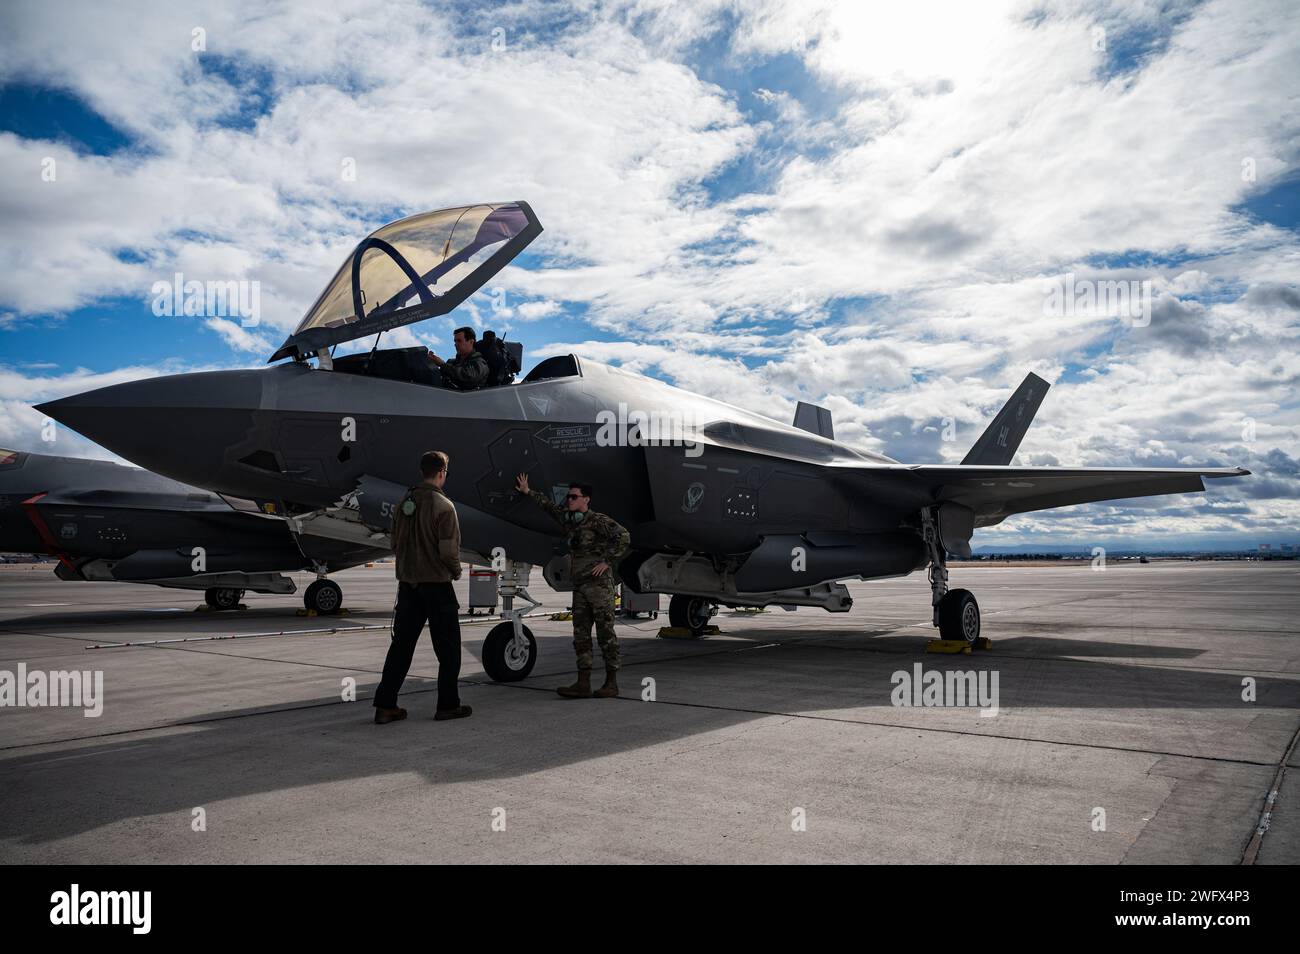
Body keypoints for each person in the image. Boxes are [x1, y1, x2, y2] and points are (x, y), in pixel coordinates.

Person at [374, 451, 472, 724]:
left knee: (401, 647)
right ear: (441, 472)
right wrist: (456, 571)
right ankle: (448, 705)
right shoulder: (444, 506)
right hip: (437, 586)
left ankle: (385, 705)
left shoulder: (404, 502)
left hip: (408, 586)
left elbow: (394, 544)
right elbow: (448, 551)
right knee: (448, 649)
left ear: (422, 471)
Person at [515, 473, 630, 699]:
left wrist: (607, 561)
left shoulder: (598, 521)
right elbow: (548, 507)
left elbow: (624, 536)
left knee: (606, 634)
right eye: (568, 496)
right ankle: (582, 683)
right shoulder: (569, 520)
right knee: (580, 635)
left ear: (586, 499)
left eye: (574, 497)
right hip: (580, 586)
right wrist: (528, 491)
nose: (569, 500)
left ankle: (611, 683)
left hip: (599, 587)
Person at [428, 327, 488, 391]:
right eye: (455, 341)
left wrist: (442, 365)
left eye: (459, 341)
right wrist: (431, 363)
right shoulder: (451, 362)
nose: (455, 344)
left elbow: (467, 377)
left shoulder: (480, 363)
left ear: (471, 342)